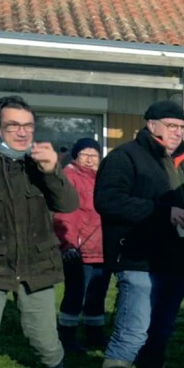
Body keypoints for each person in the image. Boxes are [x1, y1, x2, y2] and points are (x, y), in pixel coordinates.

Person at [94, 99, 184, 368]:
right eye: (171, 126)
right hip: (139, 260)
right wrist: (159, 212)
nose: (177, 132)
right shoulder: (124, 157)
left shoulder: (183, 163)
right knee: (131, 335)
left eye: (182, 127)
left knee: (159, 336)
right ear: (151, 125)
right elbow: (107, 200)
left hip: (175, 265)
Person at [0, 95, 78, 368]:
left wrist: (52, 171)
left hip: (37, 264)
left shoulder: (40, 161)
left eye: (28, 126)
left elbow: (68, 205)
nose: (22, 133)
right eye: (13, 126)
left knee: (45, 340)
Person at [53, 137, 111, 352]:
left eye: (94, 155)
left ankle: (95, 335)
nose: (89, 160)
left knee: (98, 294)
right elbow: (65, 213)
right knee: (76, 293)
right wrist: (68, 244)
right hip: (79, 248)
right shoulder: (70, 177)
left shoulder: (103, 179)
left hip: (102, 248)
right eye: (84, 155)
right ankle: (66, 337)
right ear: (76, 156)